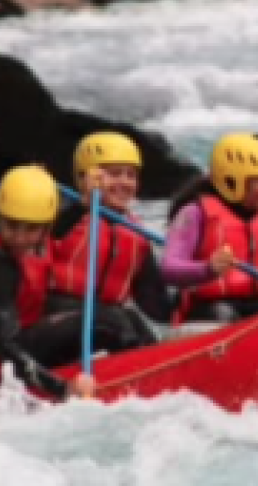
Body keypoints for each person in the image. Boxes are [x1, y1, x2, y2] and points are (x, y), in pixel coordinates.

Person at [0, 165, 94, 400]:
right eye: (11, 226)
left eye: (30, 229)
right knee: (99, 323)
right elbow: (6, 347)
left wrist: (83, 204)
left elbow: (51, 228)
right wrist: (62, 389)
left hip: (19, 329)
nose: (20, 238)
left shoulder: (23, 225)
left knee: (115, 317)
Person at [47, 132, 170, 351]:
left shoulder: (136, 233)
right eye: (114, 174)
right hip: (58, 313)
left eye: (131, 175)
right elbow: (47, 236)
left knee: (138, 327)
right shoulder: (66, 214)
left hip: (108, 317)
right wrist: (85, 204)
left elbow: (154, 302)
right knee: (116, 320)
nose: (125, 183)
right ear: (86, 177)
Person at [162, 132, 258, 322]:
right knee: (223, 313)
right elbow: (169, 269)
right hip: (208, 311)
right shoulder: (194, 213)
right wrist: (208, 269)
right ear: (232, 181)